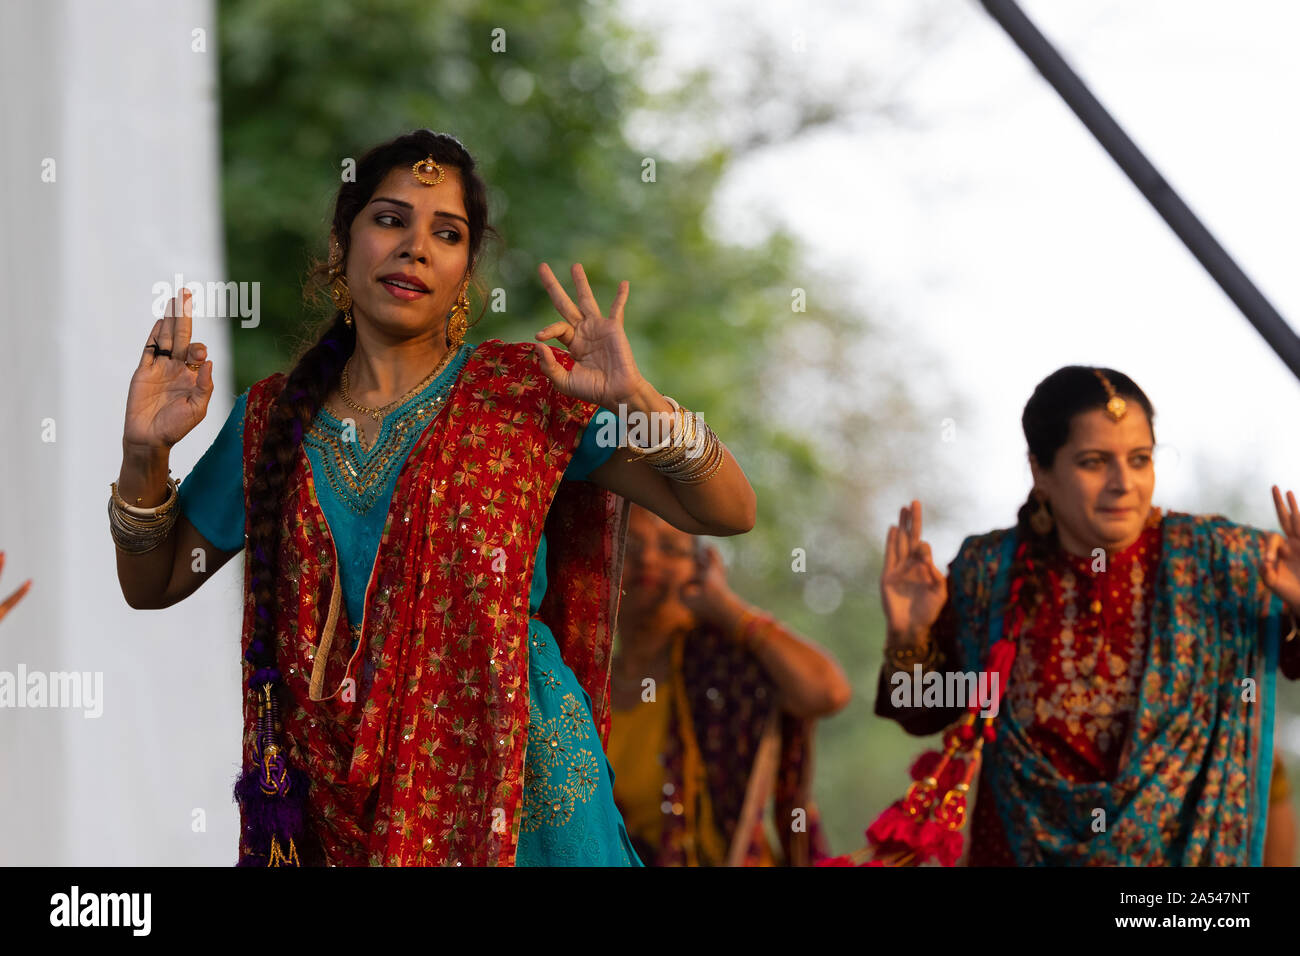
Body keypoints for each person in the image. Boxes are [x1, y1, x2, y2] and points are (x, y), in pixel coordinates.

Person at [109, 129, 756, 866]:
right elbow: (155, 581)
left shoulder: (520, 395)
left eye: (445, 233)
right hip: (334, 805)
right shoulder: (269, 421)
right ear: (340, 246)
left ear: (465, 273)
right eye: (389, 219)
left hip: (525, 800)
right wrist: (144, 453)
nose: (415, 247)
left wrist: (639, 398)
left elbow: (727, 511)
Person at [870, 366, 1300, 866]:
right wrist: (908, 631)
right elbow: (921, 711)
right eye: (1095, 462)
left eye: (1140, 460)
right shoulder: (987, 574)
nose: (1123, 484)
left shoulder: (1222, 564)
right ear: (1040, 471)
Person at [607, 503, 848, 865]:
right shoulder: (582, 678)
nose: (649, 561)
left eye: (670, 548)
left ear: (699, 568)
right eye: (631, 546)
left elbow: (827, 692)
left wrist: (727, 608)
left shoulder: (722, 666)